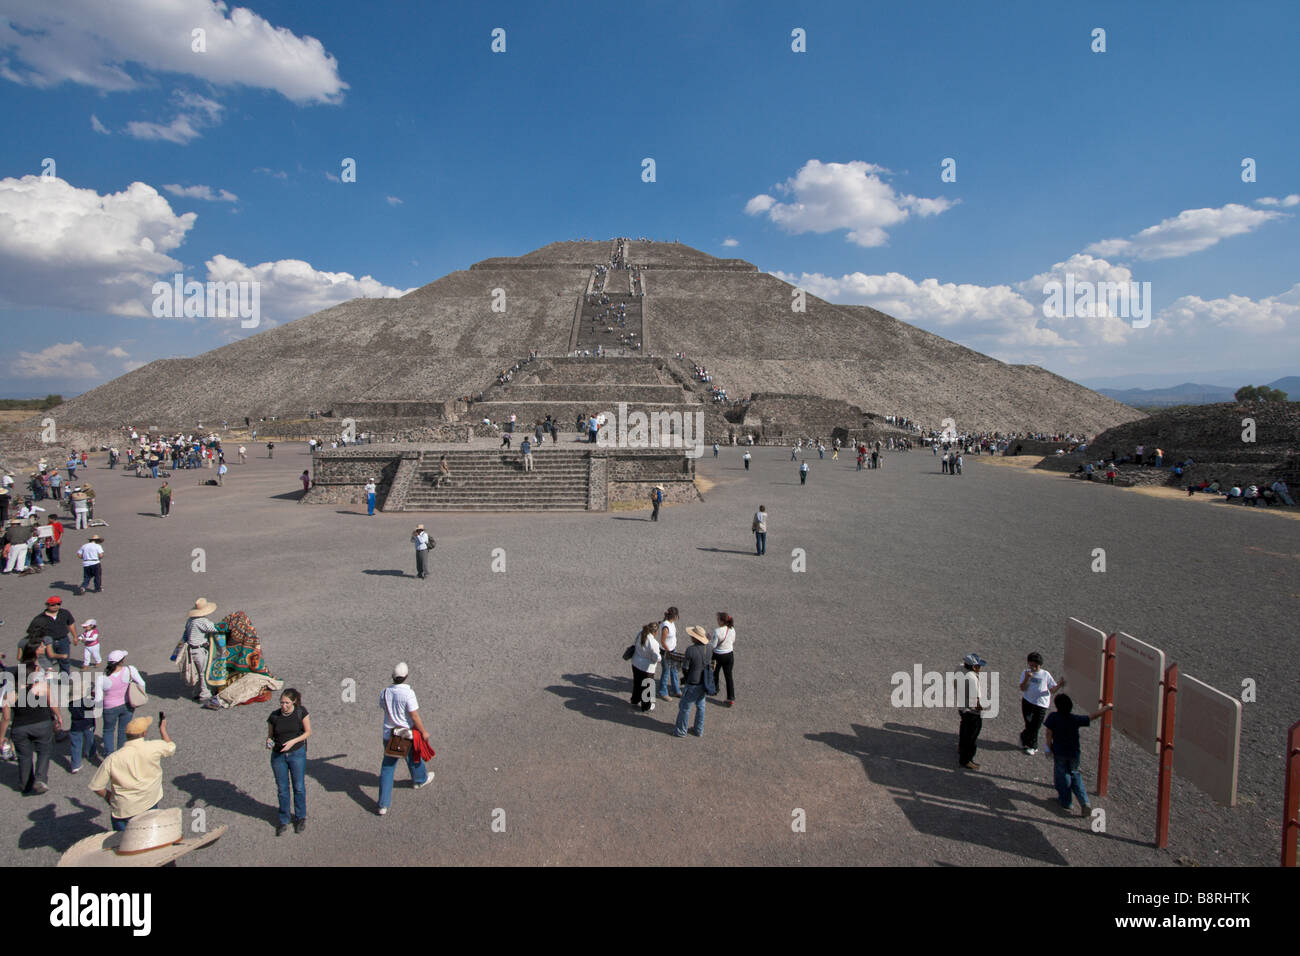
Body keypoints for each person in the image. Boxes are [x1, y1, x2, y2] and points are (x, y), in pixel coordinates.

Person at [90, 715, 176, 831]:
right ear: (144, 733)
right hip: (149, 802)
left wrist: (109, 797)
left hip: (124, 810)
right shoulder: (154, 747)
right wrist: (163, 730)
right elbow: (170, 747)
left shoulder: (113, 759)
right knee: (150, 836)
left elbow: (97, 786)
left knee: (123, 843)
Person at [1, 646, 62, 794]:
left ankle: (25, 784)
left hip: (19, 728)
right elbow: (52, 704)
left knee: (24, 756)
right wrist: (58, 717)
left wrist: (1, 737)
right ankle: (40, 779)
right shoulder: (41, 687)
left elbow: (6, 718)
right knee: (44, 752)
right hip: (41, 724)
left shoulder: (10, 693)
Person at [377, 662, 434, 815]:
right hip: (404, 733)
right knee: (413, 756)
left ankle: (383, 804)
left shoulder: (384, 692)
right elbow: (414, 715)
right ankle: (420, 779)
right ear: (406, 677)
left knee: (387, 768)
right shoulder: (408, 693)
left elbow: (383, 707)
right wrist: (423, 731)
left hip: (389, 733)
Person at [1044, 695, 1112, 816]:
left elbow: (1049, 733)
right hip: (1074, 753)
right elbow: (1092, 717)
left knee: (1062, 775)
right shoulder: (1074, 719)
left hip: (1059, 752)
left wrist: (1048, 748)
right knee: (1075, 774)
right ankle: (1084, 801)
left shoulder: (1053, 717)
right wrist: (1106, 708)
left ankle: (1066, 801)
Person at [267, 688, 311, 835]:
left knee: (298, 787)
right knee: (282, 789)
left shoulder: (301, 712)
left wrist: (293, 742)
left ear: (294, 702)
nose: (283, 705)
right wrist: (268, 741)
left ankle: (300, 817)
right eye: (281, 702)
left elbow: (308, 732)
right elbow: (270, 736)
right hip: (278, 756)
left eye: (286, 703)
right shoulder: (274, 716)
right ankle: (284, 819)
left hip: (297, 754)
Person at [100, 650, 146, 755]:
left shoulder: (103, 677)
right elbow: (142, 683)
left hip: (109, 708)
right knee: (123, 730)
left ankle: (109, 755)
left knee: (108, 730)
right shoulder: (130, 670)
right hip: (127, 705)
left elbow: (98, 697)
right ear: (121, 661)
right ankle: (121, 754)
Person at [1019, 651, 1064, 755]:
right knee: (1029, 724)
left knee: (1036, 726)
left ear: (1040, 665)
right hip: (1027, 702)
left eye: (1035, 666)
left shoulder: (1045, 675)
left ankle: (1032, 746)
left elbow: (1052, 690)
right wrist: (1027, 678)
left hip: (1040, 705)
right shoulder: (1026, 672)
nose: (1033, 668)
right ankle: (1023, 737)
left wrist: (1060, 684)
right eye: (1031, 665)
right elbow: (1022, 688)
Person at [674, 626, 714, 738]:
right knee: (701, 706)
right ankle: (698, 729)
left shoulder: (690, 650)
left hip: (693, 682)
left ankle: (681, 731)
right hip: (704, 681)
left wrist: (685, 678)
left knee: (685, 707)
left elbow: (685, 668)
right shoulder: (709, 648)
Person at [181, 598, 220, 703]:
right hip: (199, 650)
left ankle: (196, 692)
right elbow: (214, 628)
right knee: (203, 671)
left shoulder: (190, 621)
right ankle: (205, 694)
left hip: (191, 650)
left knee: (197, 672)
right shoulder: (201, 621)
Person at [957, 653, 988, 769]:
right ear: (974, 667)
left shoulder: (959, 669)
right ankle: (966, 760)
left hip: (962, 705)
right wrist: (981, 708)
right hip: (971, 711)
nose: (980, 668)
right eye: (978, 666)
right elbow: (977, 700)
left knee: (963, 728)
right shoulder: (972, 679)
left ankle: (960, 748)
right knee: (971, 737)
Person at [629, 622, 661, 712]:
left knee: (637, 683)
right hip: (647, 668)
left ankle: (635, 700)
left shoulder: (640, 633)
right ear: (655, 632)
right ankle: (646, 706)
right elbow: (656, 658)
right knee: (648, 687)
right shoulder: (654, 643)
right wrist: (660, 658)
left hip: (635, 663)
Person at [67, 684, 99, 774]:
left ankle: (75, 765)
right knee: (90, 739)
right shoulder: (87, 701)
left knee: (75, 744)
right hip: (88, 723)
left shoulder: (71, 703)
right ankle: (90, 753)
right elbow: (95, 705)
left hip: (75, 725)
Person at [654, 607, 682, 700]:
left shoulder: (670, 623)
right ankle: (663, 692)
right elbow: (663, 641)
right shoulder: (666, 626)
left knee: (674, 670)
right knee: (666, 672)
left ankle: (676, 690)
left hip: (672, 650)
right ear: (674, 616)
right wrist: (669, 651)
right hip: (666, 652)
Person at [710, 612, 737, 706]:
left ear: (722, 621)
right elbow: (733, 640)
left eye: (718, 619)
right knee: (728, 676)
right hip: (729, 654)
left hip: (718, 655)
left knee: (714, 673)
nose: (717, 621)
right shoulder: (732, 629)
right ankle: (731, 697)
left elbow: (713, 646)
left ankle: (714, 689)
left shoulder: (717, 631)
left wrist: (709, 639)